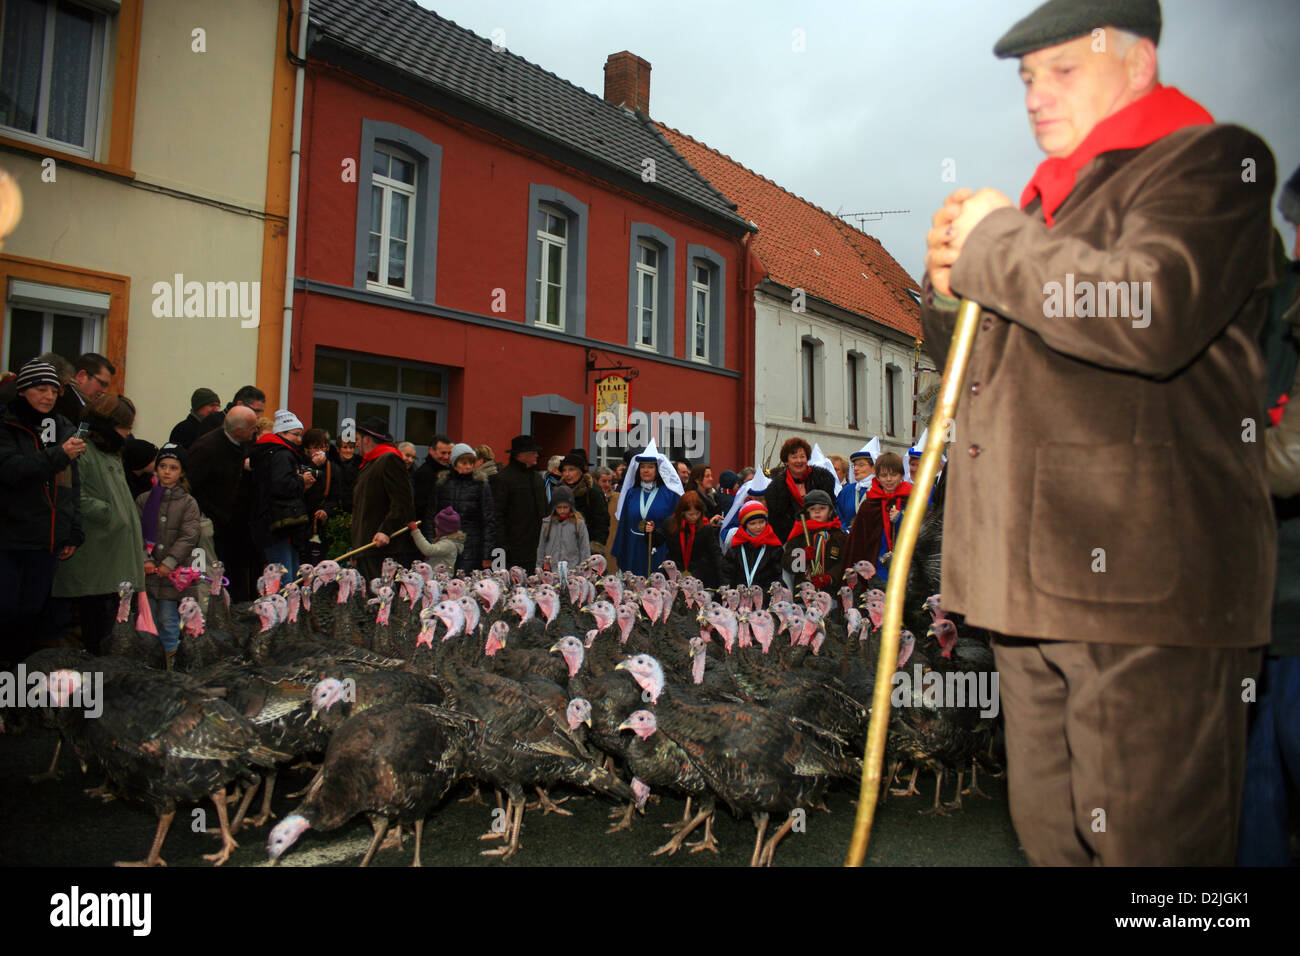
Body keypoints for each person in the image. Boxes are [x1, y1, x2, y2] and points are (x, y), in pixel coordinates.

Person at [921, 0, 1275, 865]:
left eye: (1064, 70)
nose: (1037, 95)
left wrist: (995, 242)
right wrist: (945, 297)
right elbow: (996, 372)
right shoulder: (1053, 209)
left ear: (1140, 64)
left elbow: (1146, 310)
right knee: (1056, 846)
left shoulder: (1211, 161)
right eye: (1028, 78)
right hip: (1032, 591)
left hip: (1148, 596)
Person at [1239, 165, 1300, 866]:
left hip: (1292, 601)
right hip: (1252, 610)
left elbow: (1285, 463)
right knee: (1251, 784)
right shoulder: (1257, 317)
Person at [0, 359, 84, 665]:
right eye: (40, 389)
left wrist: (73, 530)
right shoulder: (7, 425)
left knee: (32, 615)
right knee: (6, 611)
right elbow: (12, 470)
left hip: (46, 541)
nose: (48, 396)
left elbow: (70, 486)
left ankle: (18, 685)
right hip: (9, 538)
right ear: (23, 391)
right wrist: (57, 455)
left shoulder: (62, 427)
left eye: (53, 390)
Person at [51, 392, 144, 653]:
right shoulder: (81, 449)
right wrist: (109, 513)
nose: (128, 433)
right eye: (124, 426)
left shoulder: (110, 452)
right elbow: (70, 494)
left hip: (112, 557)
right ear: (108, 424)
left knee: (108, 630)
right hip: (95, 556)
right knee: (95, 630)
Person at [136, 443, 201, 667]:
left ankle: (170, 664)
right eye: (162, 466)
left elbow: (189, 535)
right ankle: (151, 664)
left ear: (181, 472)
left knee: (168, 620)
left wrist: (170, 561)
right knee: (148, 620)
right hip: (149, 574)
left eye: (173, 467)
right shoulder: (144, 500)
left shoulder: (188, 503)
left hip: (173, 576)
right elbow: (136, 532)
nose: (166, 471)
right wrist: (144, 558)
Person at [187, 405, 259, 602]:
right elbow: (191, 486)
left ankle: (233, 610)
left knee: (236, 571)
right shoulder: (206, 448)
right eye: (253, 428)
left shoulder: (242, 443)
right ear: (238, 431)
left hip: (235, 522)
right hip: (212, 522)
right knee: (212, 573)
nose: (256, 432)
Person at [248, 409, 312, 583]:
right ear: (282, 433)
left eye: (301, 435)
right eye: (296, 434)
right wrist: (301, 480)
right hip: (280, 523)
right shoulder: (282, 454)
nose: (299, 440)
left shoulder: (268, 451)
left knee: (279, 574)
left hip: (270, 522)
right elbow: (281, 485)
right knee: (285, 578)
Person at [351, 417, 417, 582]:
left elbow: (402, 501)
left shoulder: (389, 459)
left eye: (357, 439)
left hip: (381, 549)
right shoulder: (370, 463)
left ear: (367, 439)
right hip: (366, 547)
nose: (356, 444)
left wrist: (386, 530)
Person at [610, 441, 682, 575]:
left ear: (658, 470)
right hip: (634, 547)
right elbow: (624, 525)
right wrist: (621, 550)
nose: (646, 470)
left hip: (659, 549)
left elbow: (676, 525)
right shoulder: (632, 493)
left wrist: (659, 531)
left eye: (650, 467)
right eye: (642, 466)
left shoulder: (670, 495)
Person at [844, 452, 910, 582]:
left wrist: (901, 519)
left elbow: (918, 531)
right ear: (877, 477)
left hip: (906, 565)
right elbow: (859, 540)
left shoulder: (911, 501)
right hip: (876, 564)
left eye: (893, 475)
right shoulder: (869, 505)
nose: (889, 479)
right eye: (884, 475)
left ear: (902, 475)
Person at [431, 442, 496, 572]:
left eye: (471, 463)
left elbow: (489, 520)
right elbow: (431, 515)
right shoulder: (442, 484)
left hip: (472, 545)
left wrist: (487, 553)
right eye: (464, 463)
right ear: (455, 463)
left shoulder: (480, 485)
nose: (468, 467)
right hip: (445, 543)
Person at [763, 437, 837, 542]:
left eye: (802, 456)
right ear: (786, 461)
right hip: (790, 539)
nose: (799, 461)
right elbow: (776, 521)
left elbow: (831, 510)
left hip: (822, 536)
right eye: (794, 457)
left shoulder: (823, 480)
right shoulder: (776, 488)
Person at [490, 434, 547, 570]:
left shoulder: (537, 478)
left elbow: (545, 510)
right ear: (520, 455)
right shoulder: (503, 479)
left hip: (537, 546)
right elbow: (497, 515)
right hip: (513, 547)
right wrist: (502, 545)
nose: (537, 455)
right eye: (533, 453)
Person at [648, 490, 721, 587]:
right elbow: (656, 542)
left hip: (699, 575)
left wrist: (723, 579)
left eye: (697, 513)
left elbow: (715, 553)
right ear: (682, 512)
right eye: (690, 514)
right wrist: (650, 532)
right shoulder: (670, 523)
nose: (694, 517)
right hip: (673, 573)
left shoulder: (705, 527)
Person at [782, 489, 848, 593]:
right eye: (812, 509)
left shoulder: (840, 536)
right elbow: (787, 564)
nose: (817, 511)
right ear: (806, 513)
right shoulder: (800, 535)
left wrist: (829, 577)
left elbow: (845, 562)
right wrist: (802, 557)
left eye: (822, 508)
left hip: (832, 592)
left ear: (830, 512)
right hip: (804, 593)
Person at [301, 428, 343, 567]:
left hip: (320, 526)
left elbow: (336, 498)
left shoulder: (333, 469)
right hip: (301, 522)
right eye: (315, 447)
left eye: (323, 447)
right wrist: (313, 466)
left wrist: (326, 511)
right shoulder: (300, 464)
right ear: (307, 449)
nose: (320, 451)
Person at [721, 500, 783, 589]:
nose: (758, 527)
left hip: (766, 595)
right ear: (745, 525)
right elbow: (727, 572)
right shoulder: (737, 546)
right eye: (752, 523)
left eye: (761, 522)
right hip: (740, 595)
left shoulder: (774, 545)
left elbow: (778, 574)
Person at [558, 452, 609, 560]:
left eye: (571, 470)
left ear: (580, 471)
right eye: (564, 470)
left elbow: (601, 520)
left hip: (587, 546)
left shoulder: (592, 490)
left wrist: (595, 547)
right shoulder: (559, 490)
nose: (567, 474)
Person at [536, 484, 590, 570]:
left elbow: (585, 548)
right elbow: (541, 547)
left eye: (565, 507)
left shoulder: (578, 524)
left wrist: (585, 568)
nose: (562, 511)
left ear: (571, 507)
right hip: (551, 570)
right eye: (559, 507)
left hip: (572, 570)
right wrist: (539, 566)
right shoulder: (547, 524)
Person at [53, 352, 114, 424]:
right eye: (102, 383)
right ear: (82, 376)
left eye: (107, 386)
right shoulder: (61, 403)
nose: (105, 391)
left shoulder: (86, 407)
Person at [836, 439, 878, 529]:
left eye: (861, 465)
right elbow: (838, 516)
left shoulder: (880, 489)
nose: (855, 468)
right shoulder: (847, 491)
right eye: (854, 465)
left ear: (874, 468)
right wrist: (845, 530)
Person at [409, 505, 466, 570]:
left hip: (439, 577)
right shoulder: (445, 541)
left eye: (436, 526)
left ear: (444, 529)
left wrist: (416, 531)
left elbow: (428, 550)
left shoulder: (448, 544)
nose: (435, 528)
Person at [412, 433, 452, 520]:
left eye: (449, 453)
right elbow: (421, 506)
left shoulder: (448, 471)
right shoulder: (424, 473)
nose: (446, 457)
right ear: (431, 451)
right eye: (443, 453)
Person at [331, 435, 360, 512]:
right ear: (338, 449)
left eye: (351, 447)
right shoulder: (331, 464)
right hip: (336, 508)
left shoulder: (360, 463)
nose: (348, 450)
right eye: (345, 447)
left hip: (355, 507)